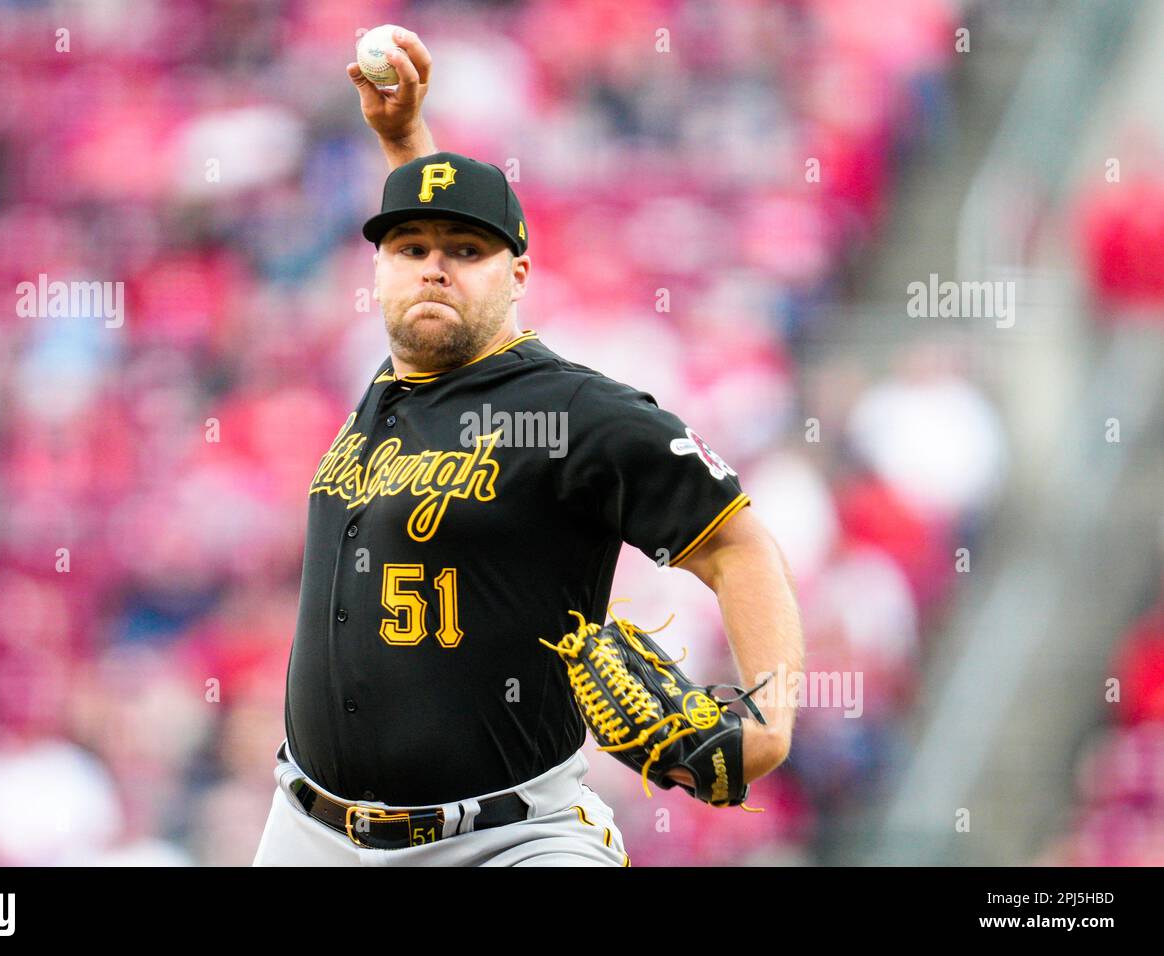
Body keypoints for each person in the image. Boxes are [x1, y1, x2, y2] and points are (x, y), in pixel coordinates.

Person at [251, 29, 803, 867]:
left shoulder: (576, 412)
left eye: (468, 252)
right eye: (409, 249)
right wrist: (405, 140)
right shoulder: (395, 381)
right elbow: (439, 253)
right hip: (306, 832)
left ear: (518, 274)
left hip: (508, 840)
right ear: (378, 271)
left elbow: (737, 544)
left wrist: (770, 718)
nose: (434, 268)